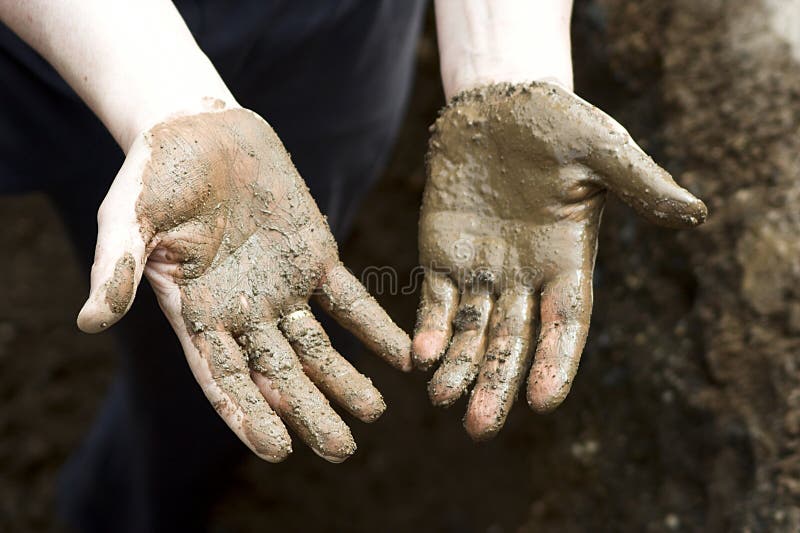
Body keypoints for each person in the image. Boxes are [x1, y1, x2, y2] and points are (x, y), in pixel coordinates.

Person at [0, 1, 706, 531]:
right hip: (54, 37)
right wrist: (158, 91)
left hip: (326, 39)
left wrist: (504, 74)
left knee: (227, 335)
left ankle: (133, 505)